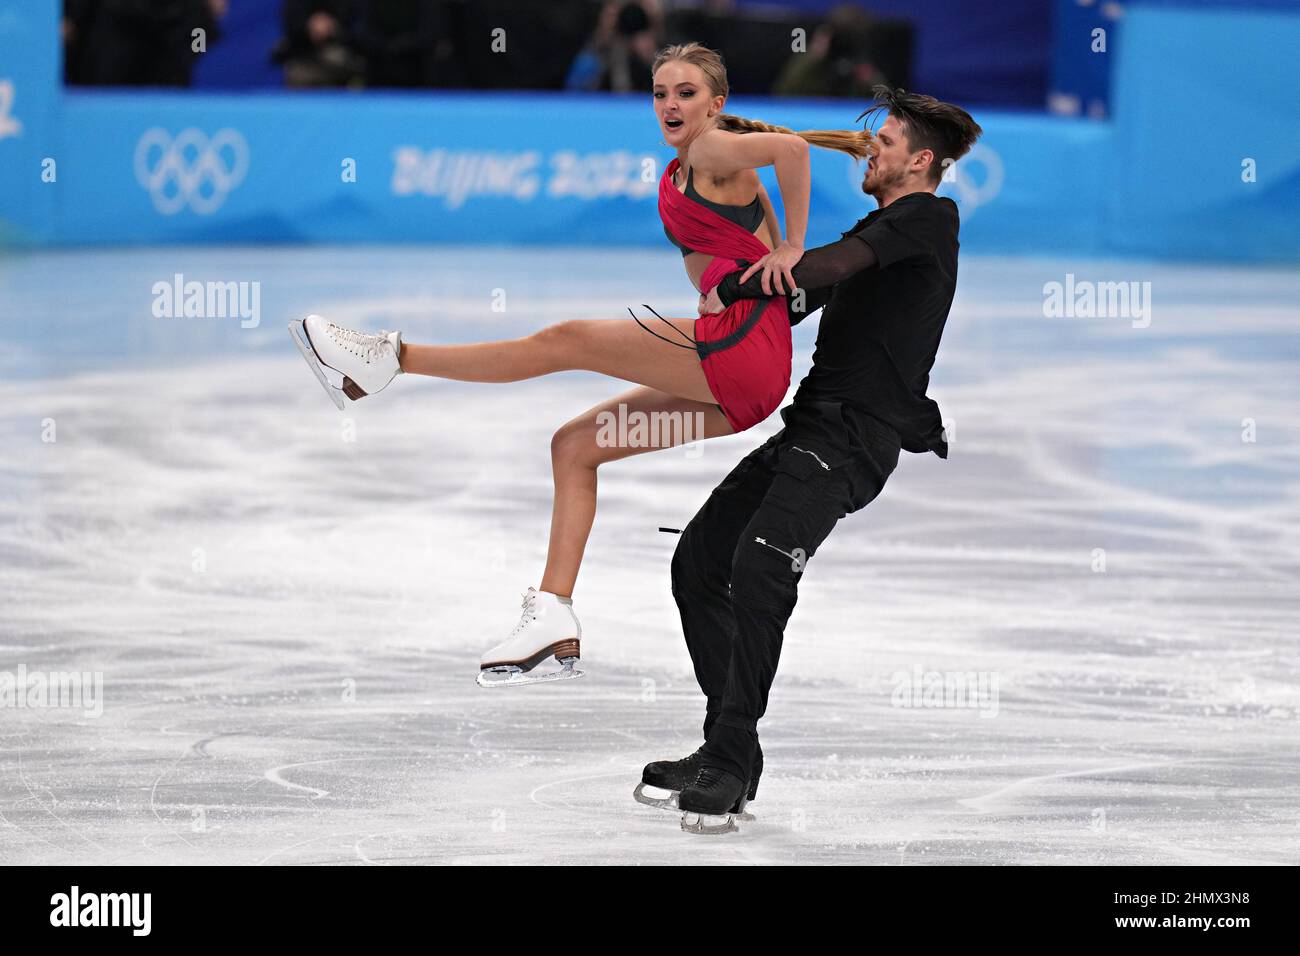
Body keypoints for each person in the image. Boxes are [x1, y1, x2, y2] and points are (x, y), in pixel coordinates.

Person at [287, 42, 872, 687]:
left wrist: (791, 247)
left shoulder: (708, 151)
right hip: (742, 384)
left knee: (566, 339)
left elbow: (790, 152)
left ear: (716, 103)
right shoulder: (695, 159)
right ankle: (552, 613)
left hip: (737, 351)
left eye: (686, 93)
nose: (671, 105)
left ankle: (386, 359)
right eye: (661, 93)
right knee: (574, 446)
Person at [640, 86, 983, 833]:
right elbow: (800, 294)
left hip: (854, 441)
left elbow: (823, 268)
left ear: (921, 160)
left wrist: (744, 280)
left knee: (761, 567)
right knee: (699, 562)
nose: (873, 149)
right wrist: (728, 302)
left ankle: (729, 762)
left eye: (887, 140)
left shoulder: (929, 218)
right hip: (809, 431)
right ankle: (727, 747)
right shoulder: (885, 227)